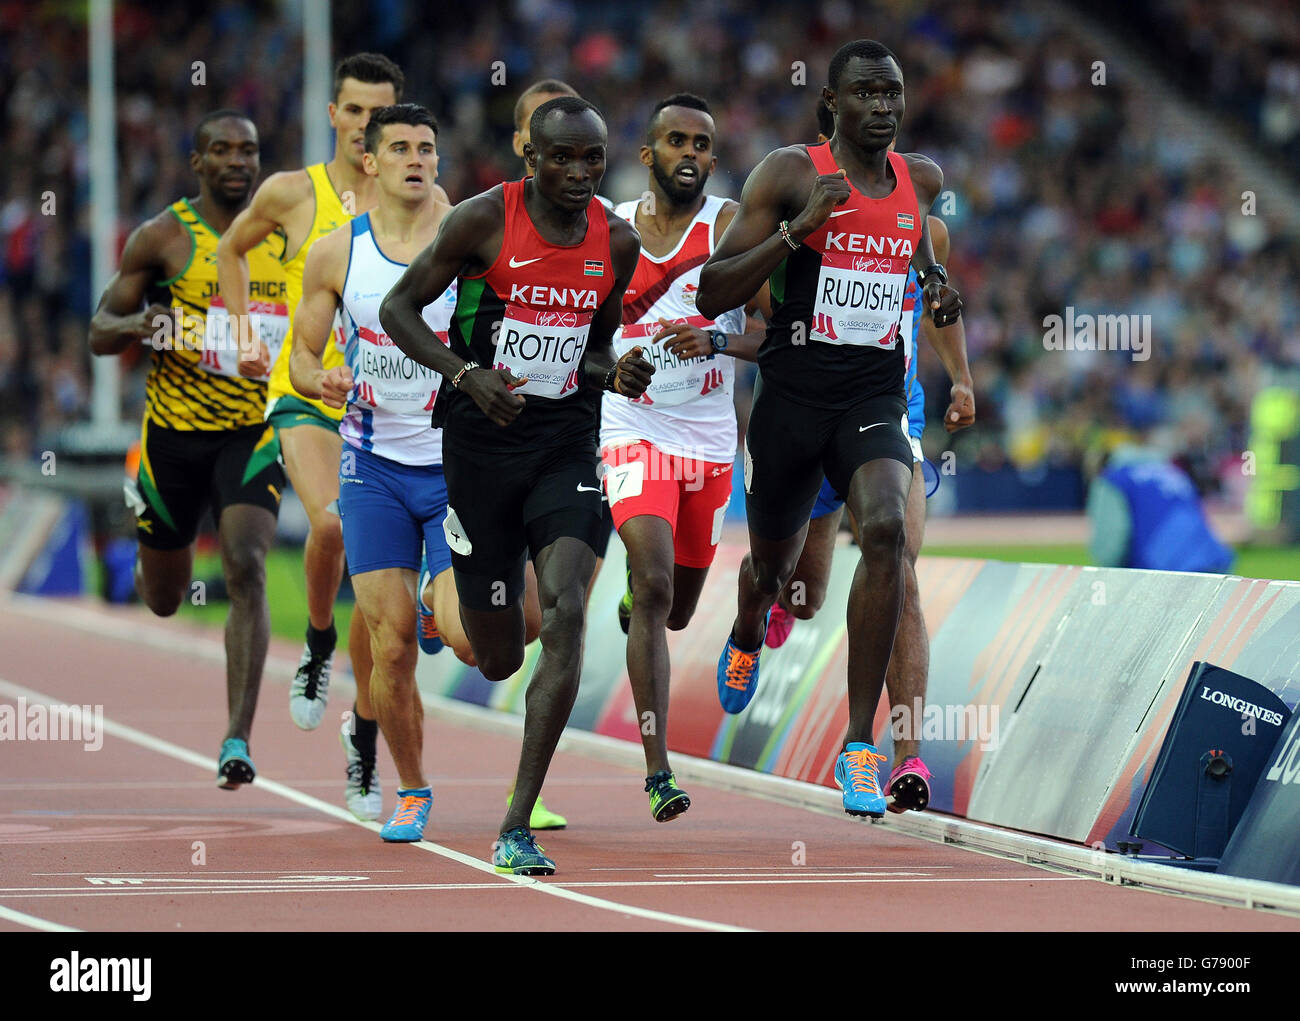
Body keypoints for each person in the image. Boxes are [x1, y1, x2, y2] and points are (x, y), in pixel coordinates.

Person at [696, 40, 974, 818]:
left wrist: (934, 289)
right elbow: (713, 290)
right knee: (777, 573)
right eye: (866, 95)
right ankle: (750, 626)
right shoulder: (789, 173)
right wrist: (796, 232)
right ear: (833, 104)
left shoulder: (920, 183)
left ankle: (861, 747)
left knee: (887, 530)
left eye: (893, 94)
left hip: (874, 398)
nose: (883, 107)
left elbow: (917, 265)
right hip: (792, 399)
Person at [381, 96, 651, 874]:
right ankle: (450, 605)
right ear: (530, 158)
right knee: (497, 656)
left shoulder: (617, 241)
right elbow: (402, 310)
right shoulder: (481, 222)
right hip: (479, 446)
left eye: (592, 159)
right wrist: (465, 376)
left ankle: (515, 819)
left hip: (565, 444)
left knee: (566, 611)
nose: (578, 173)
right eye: (562, 158)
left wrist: (617, 370)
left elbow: (593, 351)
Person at [217, 54, 429, 821]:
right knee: (333, 520)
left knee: (387, 609)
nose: (367, 127)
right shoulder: (291, 193)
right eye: (354, 113)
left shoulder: (426, 199)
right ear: (335, 116)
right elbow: (228, 249)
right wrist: (244, 329)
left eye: (383, 115)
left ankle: (365, 735)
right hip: (308, 392)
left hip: (392, 407)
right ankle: (313, 645)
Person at [766, 100, 976, 813]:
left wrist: (964, 379)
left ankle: (902, 755)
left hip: (889, 411)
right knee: (806, 589)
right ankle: (762, 600)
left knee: (898, 561)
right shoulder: (810, 199)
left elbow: (941, 305)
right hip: (811, 406)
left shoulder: (923, 222)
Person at [89, 111, 286, 788]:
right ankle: (149, 563)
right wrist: (140, 321)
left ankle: (237, 735)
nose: (238, 160)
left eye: (249, 150)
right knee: (166, 597)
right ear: (197, 162)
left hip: (252, 431)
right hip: (171, 437)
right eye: (223, 150)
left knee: (247, 562)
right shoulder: (164, 237)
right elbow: (97, 331)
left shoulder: (285, 233)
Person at [289, 104, 468, 833]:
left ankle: (439, 602)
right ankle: (414, 787)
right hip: (372, 470)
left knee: (469, 642)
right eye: (400, 148)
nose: (417, 160)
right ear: (371, 163)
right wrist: (318, 379)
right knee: (388, 644)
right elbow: (300, 356)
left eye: (427, 147)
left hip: (454, 464)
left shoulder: (466, 238)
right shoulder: (336, 253)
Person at [601, 93, 768, 820]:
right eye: (677, 141)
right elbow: (577, 319)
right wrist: (613, 364)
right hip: (631, 426)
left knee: (674, 611)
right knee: (657, 579)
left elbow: (778, 330)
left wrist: (721, 340)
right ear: (648, 156)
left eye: (703, 143)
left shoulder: (730, 226)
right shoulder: (605, 226)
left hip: (706, 439)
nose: (692, 155)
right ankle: (658, 769)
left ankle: (643, 600)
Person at [1088, 443, 1233, 573]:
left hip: (1163, 571)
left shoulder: (1114, 480)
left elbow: (1111, 539)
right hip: (1210, 562)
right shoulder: (1174, 473)